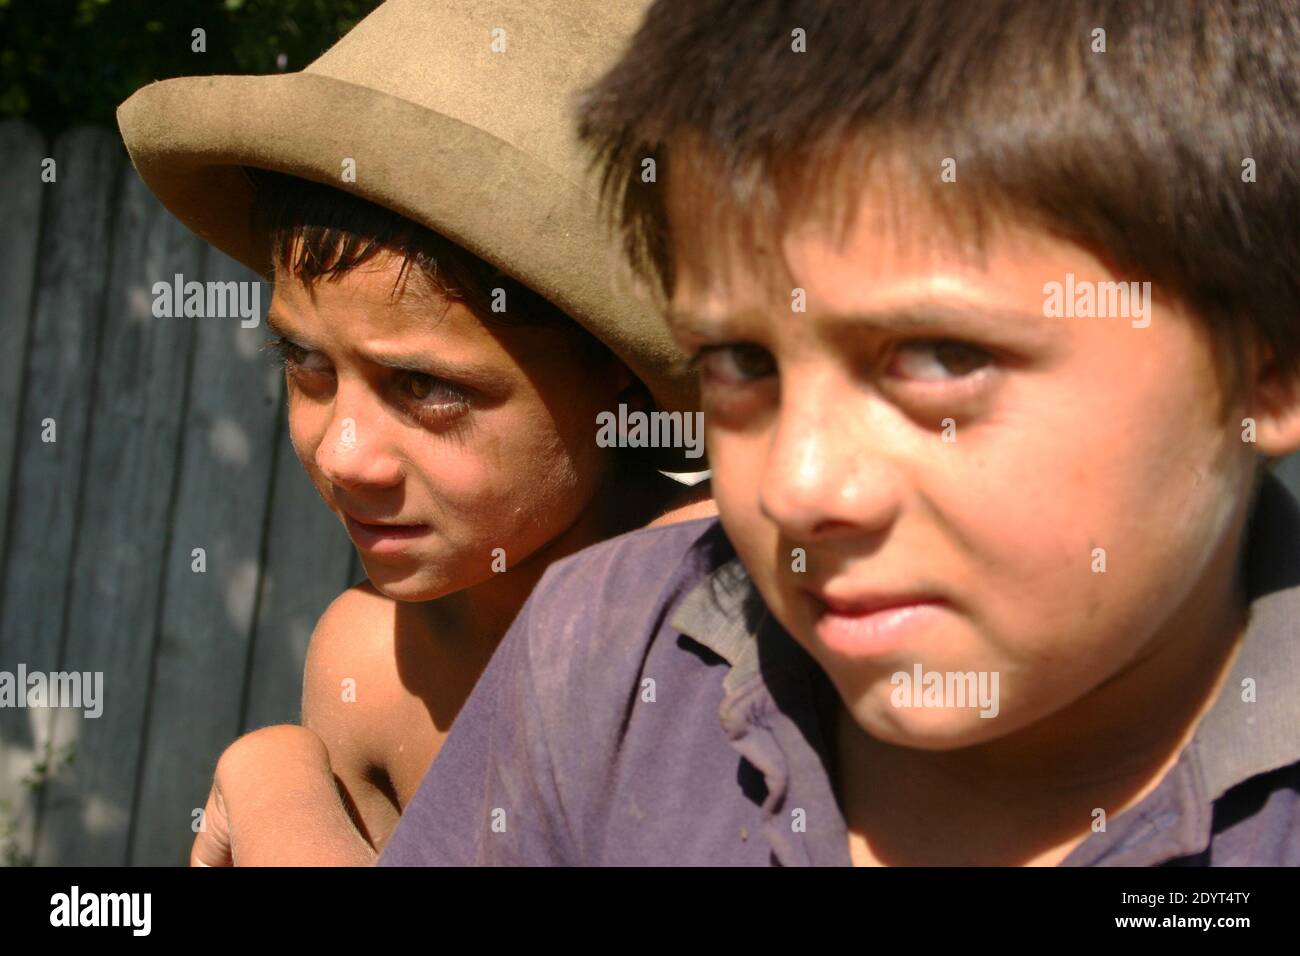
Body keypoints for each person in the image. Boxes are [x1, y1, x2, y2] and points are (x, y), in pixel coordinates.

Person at [377, 0, 1300, 865]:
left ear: (1271, 363)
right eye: (742, 362)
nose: (799, 485)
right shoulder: (610, 662)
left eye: (942, 357)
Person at [115, 0, 713, 865]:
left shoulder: (712, 604)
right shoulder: (368, 666)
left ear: (613, 358)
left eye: (426, 387)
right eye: (304, 360)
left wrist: (270, 782)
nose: (341, 454)